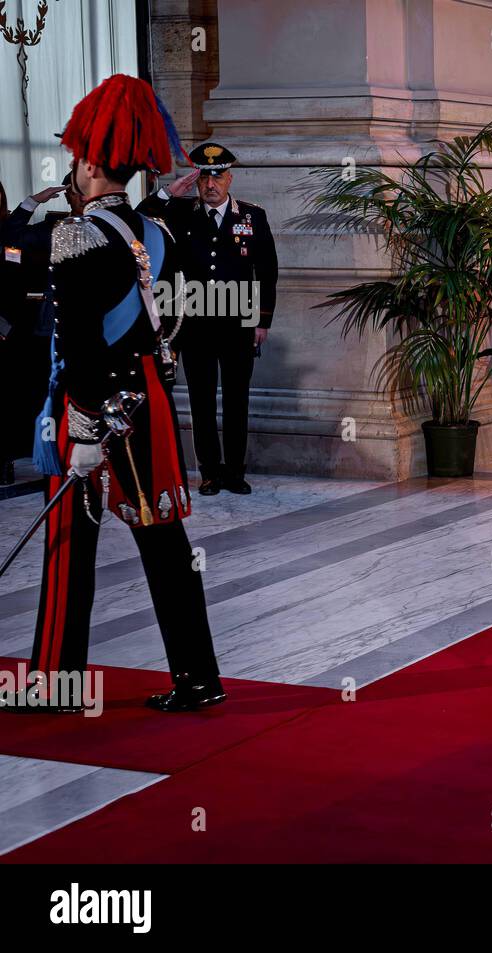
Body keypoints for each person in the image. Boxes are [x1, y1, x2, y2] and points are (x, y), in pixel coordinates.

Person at [1, 74, 223, 714]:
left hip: (91, 408)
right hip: (146, 402)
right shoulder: (158, 233)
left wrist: (87, 424)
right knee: (164, 541)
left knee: (69, 547)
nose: (72, 166)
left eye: (76, 156)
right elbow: (174, 323)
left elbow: (78, 346)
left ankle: (56, 684)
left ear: (93, 162)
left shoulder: (76, 235)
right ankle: (198, 677)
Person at [138, 142, 279, 496]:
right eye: (204, 179)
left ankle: (234, 472)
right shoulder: (181, 213)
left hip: (238, 323)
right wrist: (169, 193)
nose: (211, 185)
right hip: (195, 323)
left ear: (229, 178)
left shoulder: (251, 216)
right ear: (197, 182)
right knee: (201, 401)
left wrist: (262, 322)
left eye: (217, 177)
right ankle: (210, 473)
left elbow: (266, 270)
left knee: (236, 399)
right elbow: (139, 220)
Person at [0, 177, 80, 486]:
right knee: (45, 397)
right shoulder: (55, 230)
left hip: (95, 331)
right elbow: (11, 235)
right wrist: (33, 202)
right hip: (50, 330)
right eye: (74, 190)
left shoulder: (107, 227)